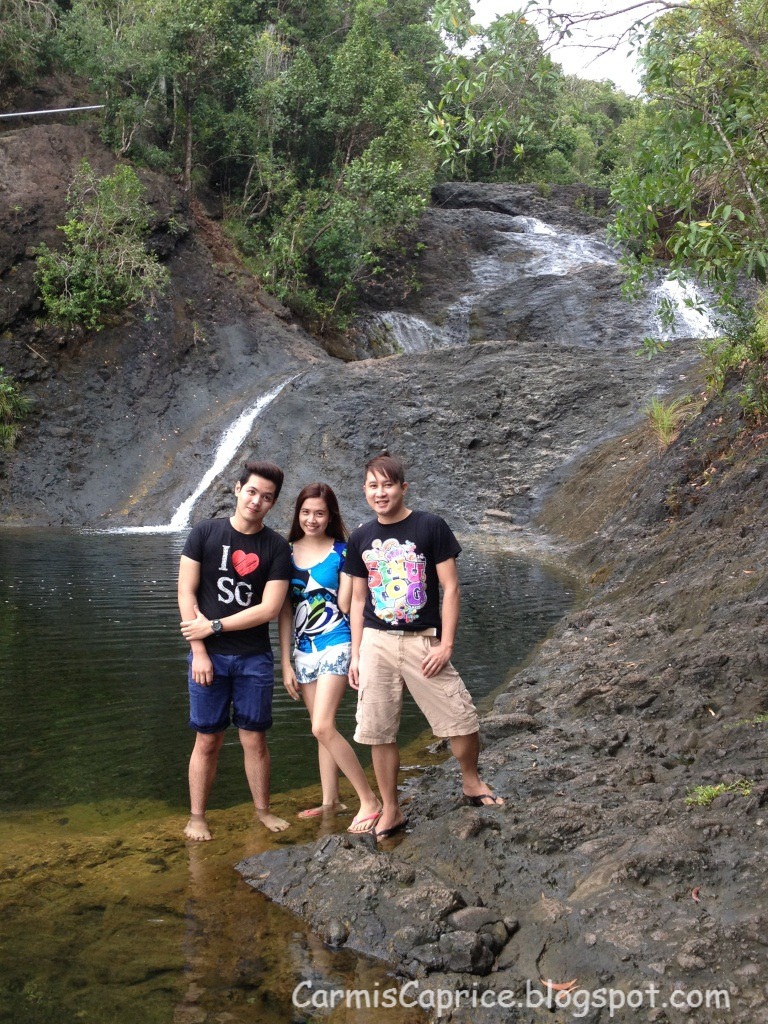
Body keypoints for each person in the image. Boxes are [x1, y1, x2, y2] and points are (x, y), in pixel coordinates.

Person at [346, 453, 503, 841]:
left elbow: (450, 587)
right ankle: (391, 808)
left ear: (403, 487)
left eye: (387, 485)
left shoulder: (430, 526)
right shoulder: (361, 536)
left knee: (461, 719)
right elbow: (357, 601)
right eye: (372, 486)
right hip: (376, 643)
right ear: (365, 491)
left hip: (423, 641)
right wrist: (355, 654)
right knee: (378, 731)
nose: (380, 493)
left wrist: (446, 643)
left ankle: (471, 780)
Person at [178, 459, 292, 841]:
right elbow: (186, 592)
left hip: (253, 658)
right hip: (207, 657)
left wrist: (215, 625)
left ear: (273, 503)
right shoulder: (205, 533)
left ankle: (262, 810)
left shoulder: (275, 546)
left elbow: (270, 608)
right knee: (207, 738)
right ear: (237, 489)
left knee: (254, 738)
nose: (257, 501)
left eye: (267, 497)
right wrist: (200, 649)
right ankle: (197, 817)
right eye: (252, 491)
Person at [278, 482, 381, 834]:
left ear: (330, 515)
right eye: (306, 512)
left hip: (336, 643)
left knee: (321, 724)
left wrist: (357, 652)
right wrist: (286, 662)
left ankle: (369, 800)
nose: (312, 519)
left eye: (319, 513)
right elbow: (284, 613)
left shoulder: (343, 551)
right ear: (297, 514)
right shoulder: (285, 552)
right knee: (322, 731)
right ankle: (330, 802)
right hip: (302, 650)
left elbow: (351, 605)